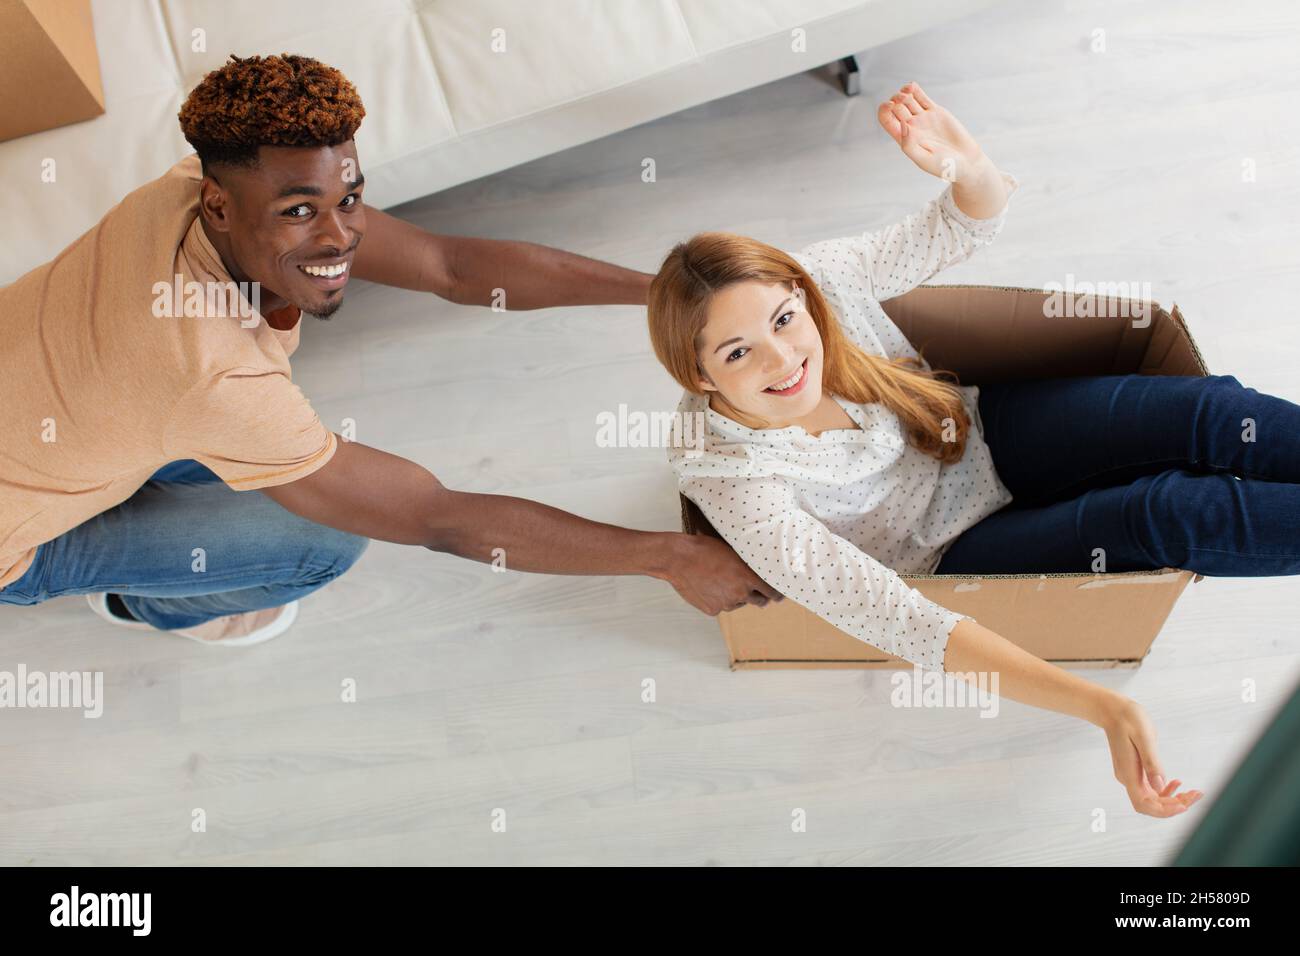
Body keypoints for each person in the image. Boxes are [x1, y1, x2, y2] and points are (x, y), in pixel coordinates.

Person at [641, 79, 1300, 818]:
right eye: (737, 354)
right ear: (699, 374)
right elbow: (901, 619)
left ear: (800, 293)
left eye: (785, 320)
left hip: (969, 431)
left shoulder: (823, 280)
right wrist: (1105, 710)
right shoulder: (728, 472)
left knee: (1208, 412)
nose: (783, 359)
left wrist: (972, 168)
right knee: (1170, 514)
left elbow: (959, 226)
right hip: (950, 548)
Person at [0, 53, 781, 644]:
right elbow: (439, 518)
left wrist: (670, 292)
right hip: (17, 525)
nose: (340, 236)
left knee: (235, 451)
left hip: (61, 402)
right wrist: (671, 557)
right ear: (221, 206)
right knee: (323, 541)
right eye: (302, 210)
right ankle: (149, 599)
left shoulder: (195, 193)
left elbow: (451, 266)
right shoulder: (208, 374)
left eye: (349, 197)